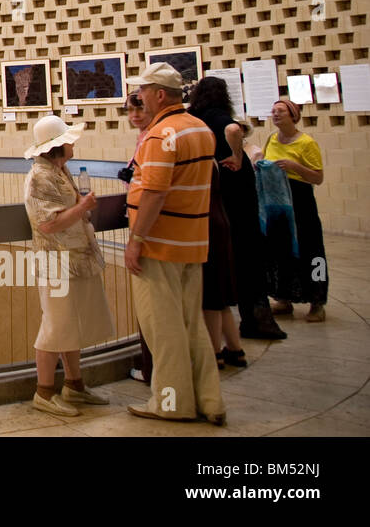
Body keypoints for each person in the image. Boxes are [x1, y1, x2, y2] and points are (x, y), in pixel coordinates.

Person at [123, 63, 226, 425]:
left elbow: (154, 191)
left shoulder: (160, 135)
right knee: (190, 325)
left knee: (162, 329)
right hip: (191, 242)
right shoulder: (200, 129)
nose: (140, 98)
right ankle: (209, 399)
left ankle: (170, 403)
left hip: (160, 245)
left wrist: (136, 240)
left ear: (160, 95)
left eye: (144, 92)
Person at [22, 115, 114, 417]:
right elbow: (48, 224)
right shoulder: (40, 176)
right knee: (56, 324)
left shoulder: (59, 171)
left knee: (69, 323)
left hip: (74, 258)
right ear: (57, 146)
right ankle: (44, 391)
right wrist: (83, 207)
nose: (74, 144)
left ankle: (74, 384)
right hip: (57, 261)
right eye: (68, 140)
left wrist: (80, 207)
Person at [188, 77, 285, 344]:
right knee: (247, 254)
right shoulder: (219, 116)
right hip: (238, 194)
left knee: (220, 256)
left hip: (213, 194)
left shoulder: (195, 117)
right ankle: (255, 317)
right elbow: (232, 129)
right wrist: (237, 155)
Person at [249, 99, 327, 322]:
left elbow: (318, 178)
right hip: (277, 202)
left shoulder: (306, 143)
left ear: (293, 115)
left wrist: (295, 167)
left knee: (312, 251)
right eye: (273, 111)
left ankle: (318, 300)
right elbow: (265, 159)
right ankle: (283, 297)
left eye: (280, 111)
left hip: (300, 200)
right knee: (280, 249)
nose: (275, 114)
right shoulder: (272, 138)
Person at [121, 92, 154, 384]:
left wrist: (138, 238)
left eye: (139, 109)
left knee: (154, 307)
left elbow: (155, 190)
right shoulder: (147, 138)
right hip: (149, 232)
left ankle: (157, 373)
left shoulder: (154, 139)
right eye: (130, 111)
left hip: (152, 236)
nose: (135, 116)